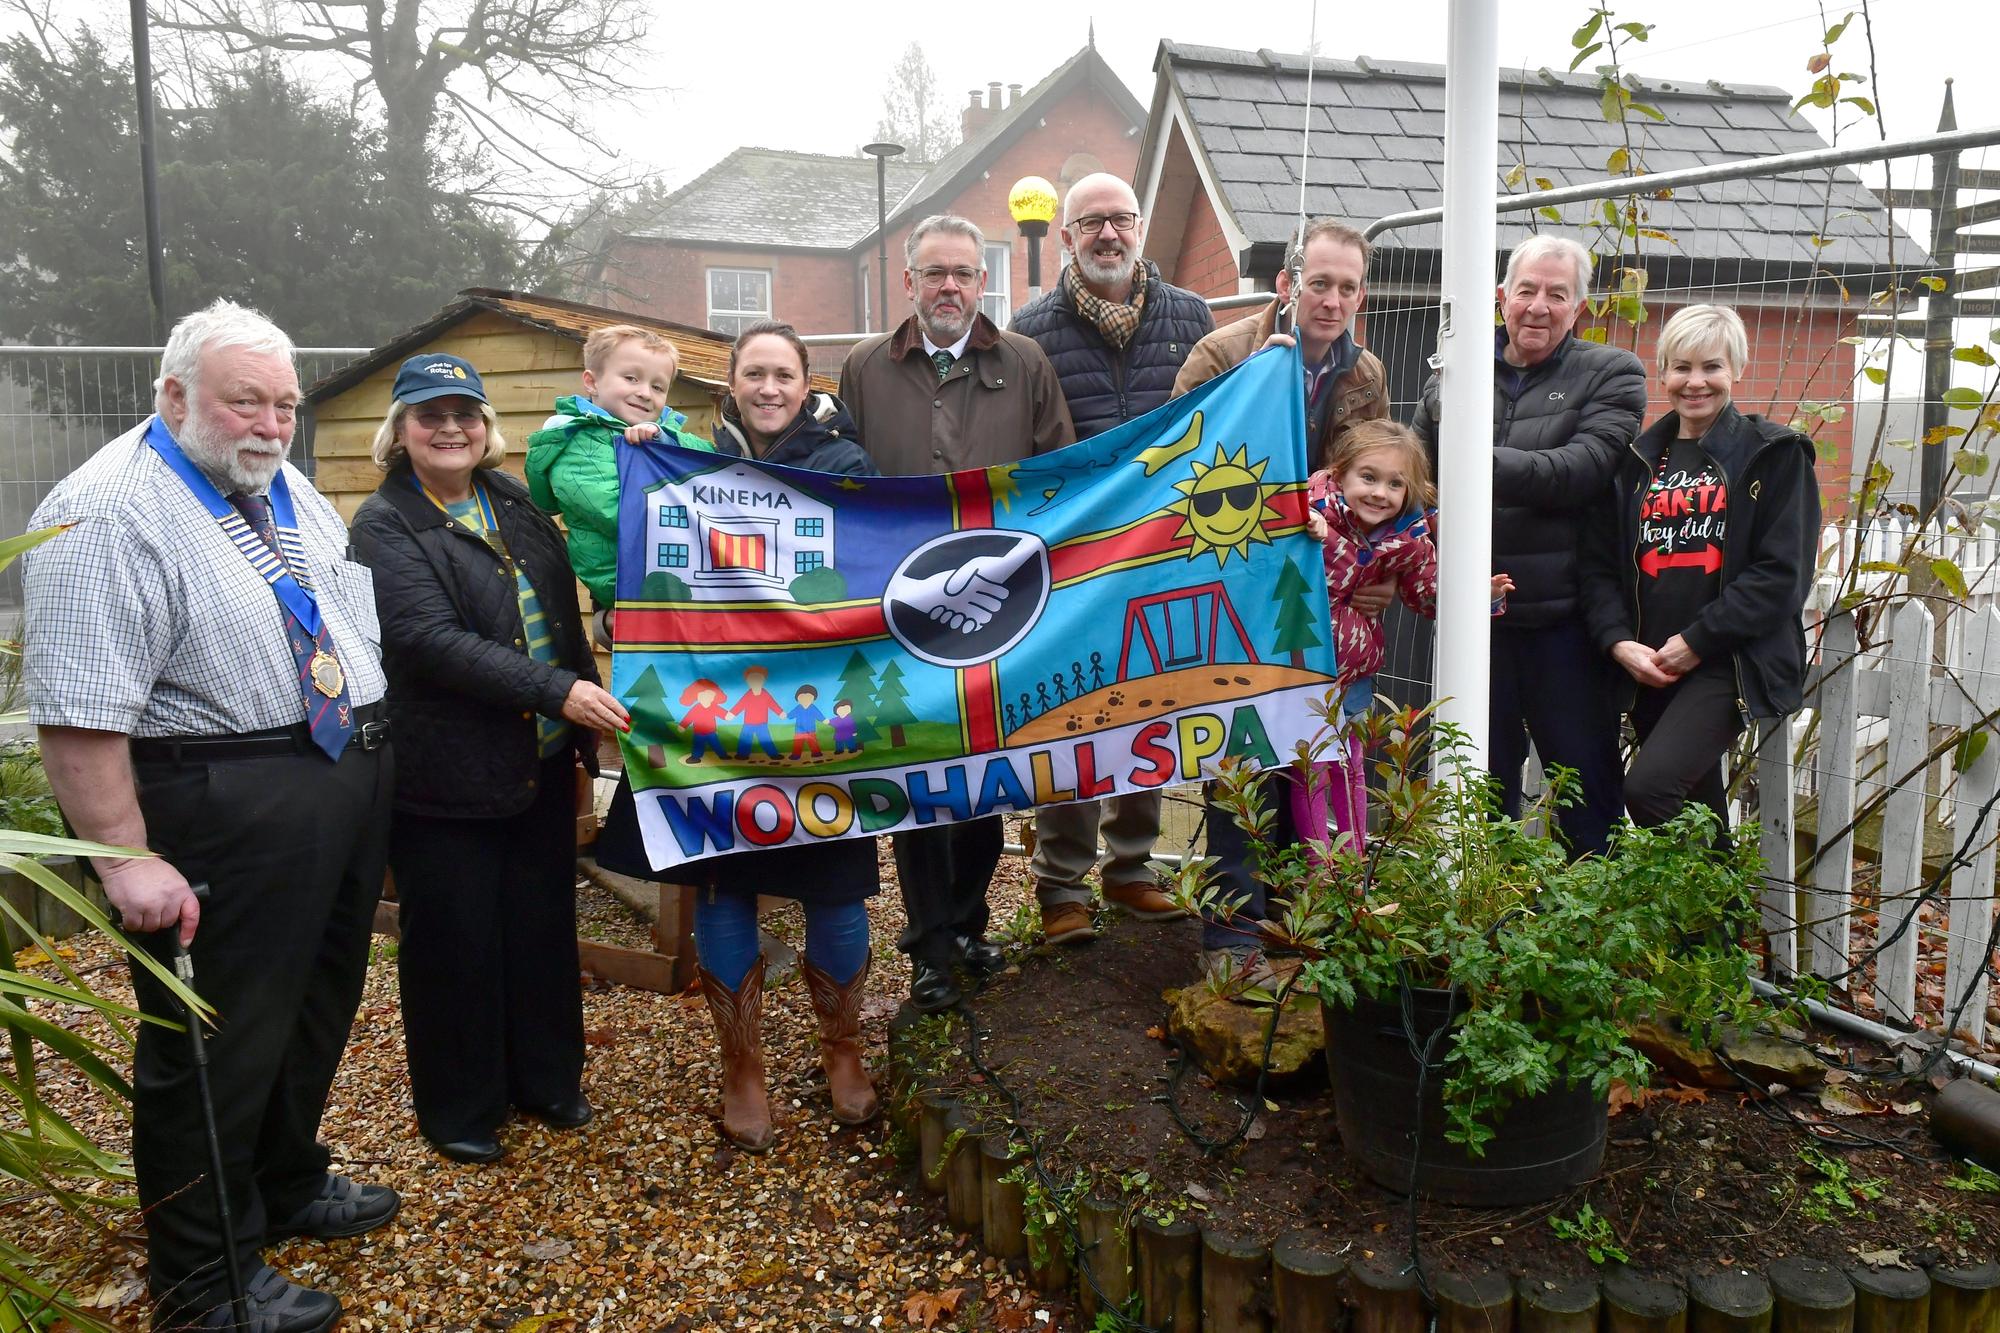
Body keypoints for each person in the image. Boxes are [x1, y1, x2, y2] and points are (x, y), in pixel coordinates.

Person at [23, 299, 397, 1331]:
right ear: (175, 395)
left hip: (333, 779)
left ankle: (281, 1181)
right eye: (246, 402)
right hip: (222, 796)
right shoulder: (110, 511)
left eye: (283, 404)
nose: (271, 424)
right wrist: (125, 859)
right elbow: (78, 716)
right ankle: (204, 1278)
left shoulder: (284, 492)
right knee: (214, 1045)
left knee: (315, 1009)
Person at [348, 354, 625, 1166]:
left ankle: (546, 1078)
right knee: (455, 942)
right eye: (430, 414)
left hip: (536, 761)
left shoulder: (509, 499)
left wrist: (582, 695)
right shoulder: (385, 524)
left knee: (539, 925)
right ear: (400, 431)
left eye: (465, 412)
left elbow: (561, 610)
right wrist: (559, 691)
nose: (451, 428)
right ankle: (459, 1105)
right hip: (446, 775)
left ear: (485, 425)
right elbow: (426, 639)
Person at [842, 214, 1075, 1011]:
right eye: (935, 272)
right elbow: (841, 480)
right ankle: (930, 945)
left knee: (985, 780)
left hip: (998, 608)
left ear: (984, 283)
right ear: (909, 282)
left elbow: (1059, 477)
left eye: (965, 273)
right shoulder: (867, 367)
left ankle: (971, 920)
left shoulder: (1026, 362)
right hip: (901, 612)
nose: (951, 287)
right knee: (917, 781)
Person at [1170, 219, 1395, 989]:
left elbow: (1378, 480)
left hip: (1330, 605)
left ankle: (1305, 926)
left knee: (1321, 762)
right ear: (1285, 284)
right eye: (1318, 283)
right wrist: (1249, 396)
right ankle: (1231, 938)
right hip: (1235, 601)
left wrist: (1388, 566)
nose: (1331, 300)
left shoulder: (1365, 372)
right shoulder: (1223, 354)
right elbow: (1177, 470)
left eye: (1346, 287)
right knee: (1239, 763)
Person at [678, 320, 883, 1150]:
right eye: (753, 374)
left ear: (808, 385)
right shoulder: (684, 463)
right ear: (730, 385)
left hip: (821, 715)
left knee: (837, 886)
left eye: (783, 375)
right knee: (725, 887)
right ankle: (743, 1063)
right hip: (720, 713)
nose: (768, 388)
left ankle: (842, 1045)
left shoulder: (847, 463)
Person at [1008, 172, 1212, 945]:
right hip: (1074, 558)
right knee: (1073, 712)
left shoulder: (1190, 316)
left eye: (1120, 219)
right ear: (1065, 237)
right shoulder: (1031, 330)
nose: (1107, 234)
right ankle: (1060, 883)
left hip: (1167, 549)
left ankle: (1131, 867)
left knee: (1154, 703)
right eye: (1090, 222)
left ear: (1139, 228)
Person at [1413, 234, 1646, 857]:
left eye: (1556, 294)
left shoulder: (1613, 374)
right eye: (1526, 291)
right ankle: (1482, 923)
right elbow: (1417, 473)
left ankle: (1589, 922)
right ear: (1501, 297)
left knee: (1582, 787)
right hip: (1475, 619)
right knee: (1477, 788)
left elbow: (1582, 468)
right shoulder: (1456, 370)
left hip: (1562, 620)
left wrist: (1468, 455)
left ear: (1580, 308)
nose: (1538, 306)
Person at [1579, 304, 1819, 834]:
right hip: (1649, 664)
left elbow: (1781, 574)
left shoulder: (1774, 455)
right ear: (1663, 372)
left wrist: (1697, 640)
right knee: (1696, 813)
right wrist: (1619, 642)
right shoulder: (1634, 463)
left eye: (1711, 366)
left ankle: (1713, 916)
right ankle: (1721, 917)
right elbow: (1598, 568)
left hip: (1724, 659)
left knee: (1650, 791)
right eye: (1681, 367)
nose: (1695, 382)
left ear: (1736, 369)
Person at [1302, 420, 1514, 854]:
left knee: (1350, 766)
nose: (1380, 492)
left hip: (1353, 673)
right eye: (1369, 477)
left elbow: (1427, 595)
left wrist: (1481, 597)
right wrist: (1313, 532)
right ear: (1340, 474)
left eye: (1395, 483)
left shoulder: (1408, 538)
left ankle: (1352, 863)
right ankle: (1313, 871)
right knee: (1310, 771)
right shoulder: (1309, 514)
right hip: (1295, 668)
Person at [525, 324, 715, 616]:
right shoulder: (575, 443)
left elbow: (714, 463)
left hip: (668, 567)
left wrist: (666, 438)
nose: (645, 393)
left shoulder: (659, 432)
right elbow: (611, 511)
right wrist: (705, 530)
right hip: (624, 577)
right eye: (631, 378)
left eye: (657, 386)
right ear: (592, 382)